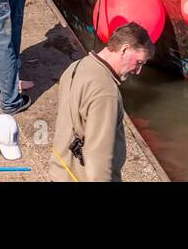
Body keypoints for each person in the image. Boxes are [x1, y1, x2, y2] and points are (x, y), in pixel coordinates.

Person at [48, 22, 154, 182]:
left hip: (60, 170)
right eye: (138, 62)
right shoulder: (106, 92)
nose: (138, 71)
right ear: (125, 49)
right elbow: (99, 156)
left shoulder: (77, 66)